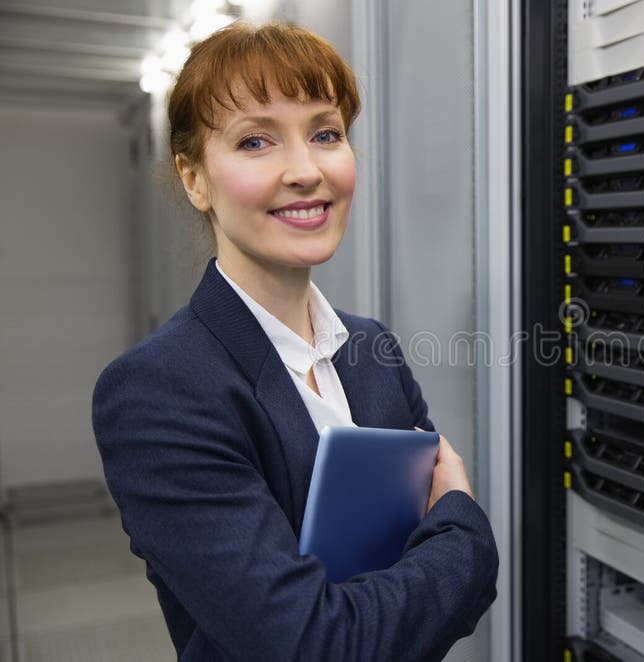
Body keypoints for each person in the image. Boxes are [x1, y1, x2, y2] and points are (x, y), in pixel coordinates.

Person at [91, 22, 498, 662]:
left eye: (326, 133)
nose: (306, 171)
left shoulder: (371, 349)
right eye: (256, 141)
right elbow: (314, 645)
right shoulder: (158, 390)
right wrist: (466, 532)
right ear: (195, 179)